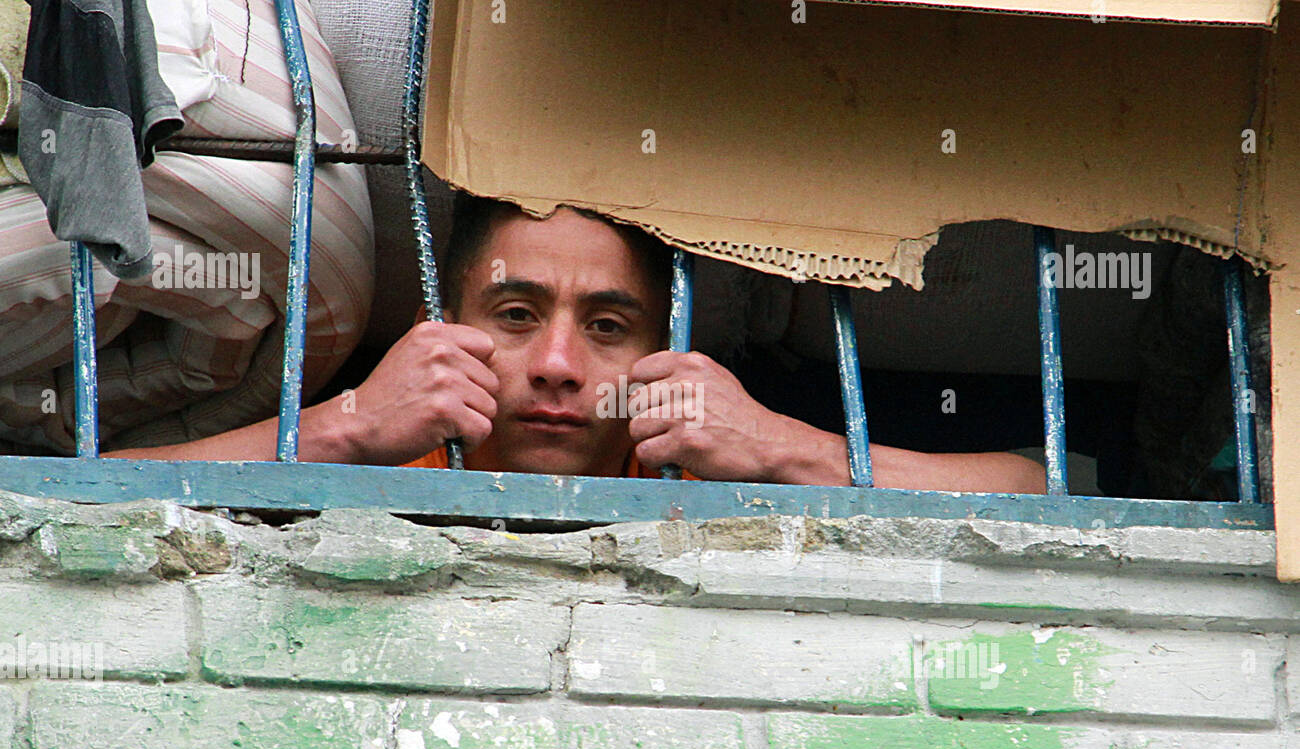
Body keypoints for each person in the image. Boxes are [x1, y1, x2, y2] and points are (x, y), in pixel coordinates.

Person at [106, 194, 1047, 494]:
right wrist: (348, 427)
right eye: (515, 316)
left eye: (606, 326)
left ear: (663, 350)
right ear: (440, 327)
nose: (557, 365)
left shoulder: (689, 462)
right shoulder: (388, 450)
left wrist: (784, 447)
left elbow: (1042, 486)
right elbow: (91, 487)